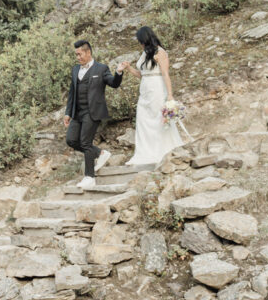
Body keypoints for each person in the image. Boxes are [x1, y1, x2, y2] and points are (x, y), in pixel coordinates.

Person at [64, 39, 124, 189]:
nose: (78, 57)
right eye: (76, 54)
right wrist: (68, 113)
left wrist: (118, 72)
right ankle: (100, 153)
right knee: (71, 140)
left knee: (85, 142)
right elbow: (72, 93)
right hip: (77, 113)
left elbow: (114, 83)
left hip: (92, 112)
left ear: (88, 52)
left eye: (80, 54)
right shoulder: (75, 70)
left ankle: (90, 177)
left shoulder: (101, 68)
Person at [120, 25, 184, 166]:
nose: (141, 44)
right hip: (144, 92)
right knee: (142, 120)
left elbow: (165, 74)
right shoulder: (145, 53)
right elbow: (142, 74)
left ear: (147, 39)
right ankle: (145, 152)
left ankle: (160, 151)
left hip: (157, 90)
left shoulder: (160, 52)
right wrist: (129, 68)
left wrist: (170, 95)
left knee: (157, 120)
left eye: (142, 41)